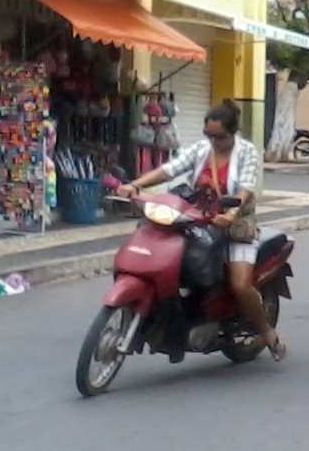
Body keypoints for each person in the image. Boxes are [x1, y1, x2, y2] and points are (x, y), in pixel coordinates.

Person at [117, 99, 284, 362]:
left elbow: (246, 186)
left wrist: (230, 213)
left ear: (233, 133)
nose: (214, 141)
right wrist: (135, 185)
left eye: (220, 136)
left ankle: (267, 333)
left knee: (240, 285)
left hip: (234, 228)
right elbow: (169, 170)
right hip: (197, 223)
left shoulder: (247, 152)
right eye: (209, 135)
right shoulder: (200, 149)